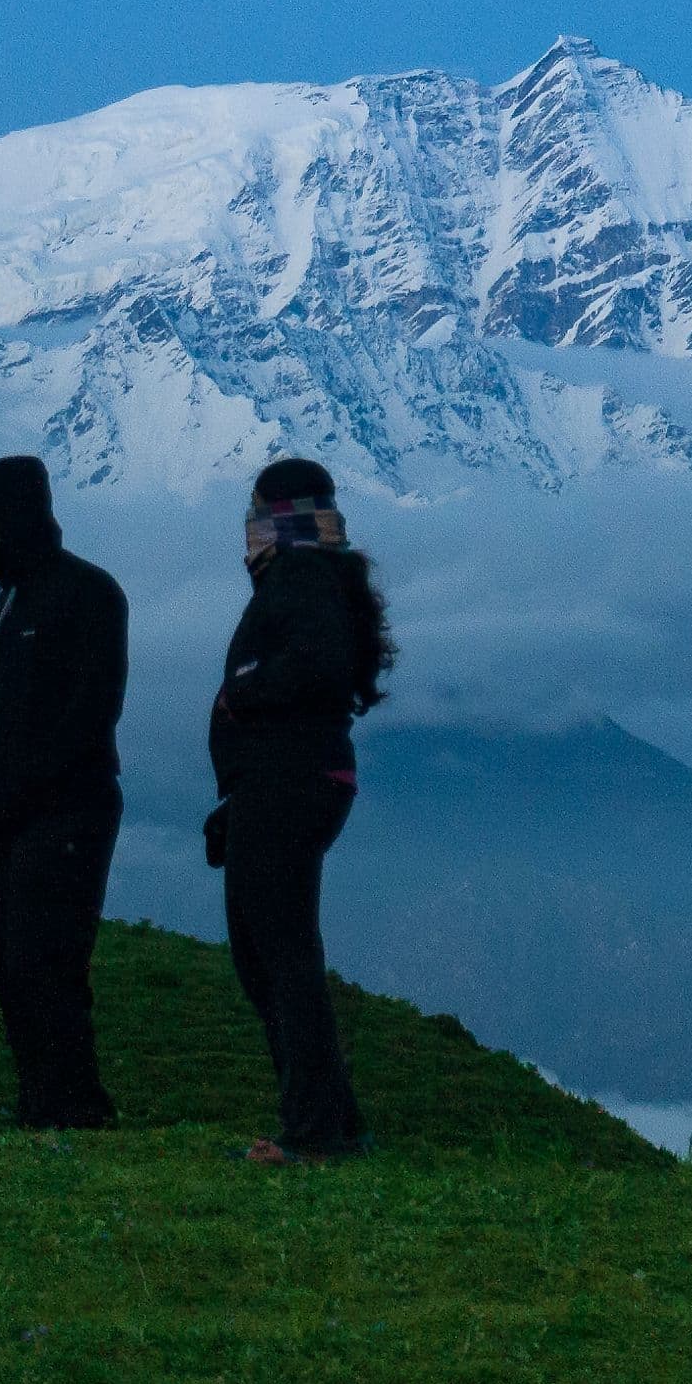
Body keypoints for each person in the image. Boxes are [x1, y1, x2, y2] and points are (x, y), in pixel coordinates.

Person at [208, 456, 396, 1166]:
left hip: (287, 781)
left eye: (255, 512)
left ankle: (315, 1133)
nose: (247, 530)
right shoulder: (320, 575)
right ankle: (333, 1120)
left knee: (279, 958)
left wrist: (242, 690)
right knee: (275, 955)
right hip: (286, 781)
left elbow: (314, 665)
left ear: (277, 518)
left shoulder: (301, 578)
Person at [0, 454, 130, 1130]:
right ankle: (41, 1106)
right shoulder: (4, 606)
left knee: (47, 959)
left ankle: (78, 1111)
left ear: (19, 507)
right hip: (1, 819)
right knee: (11, 964)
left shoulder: (88, 593)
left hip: (67, 812)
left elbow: (93, 709)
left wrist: (23, 789)